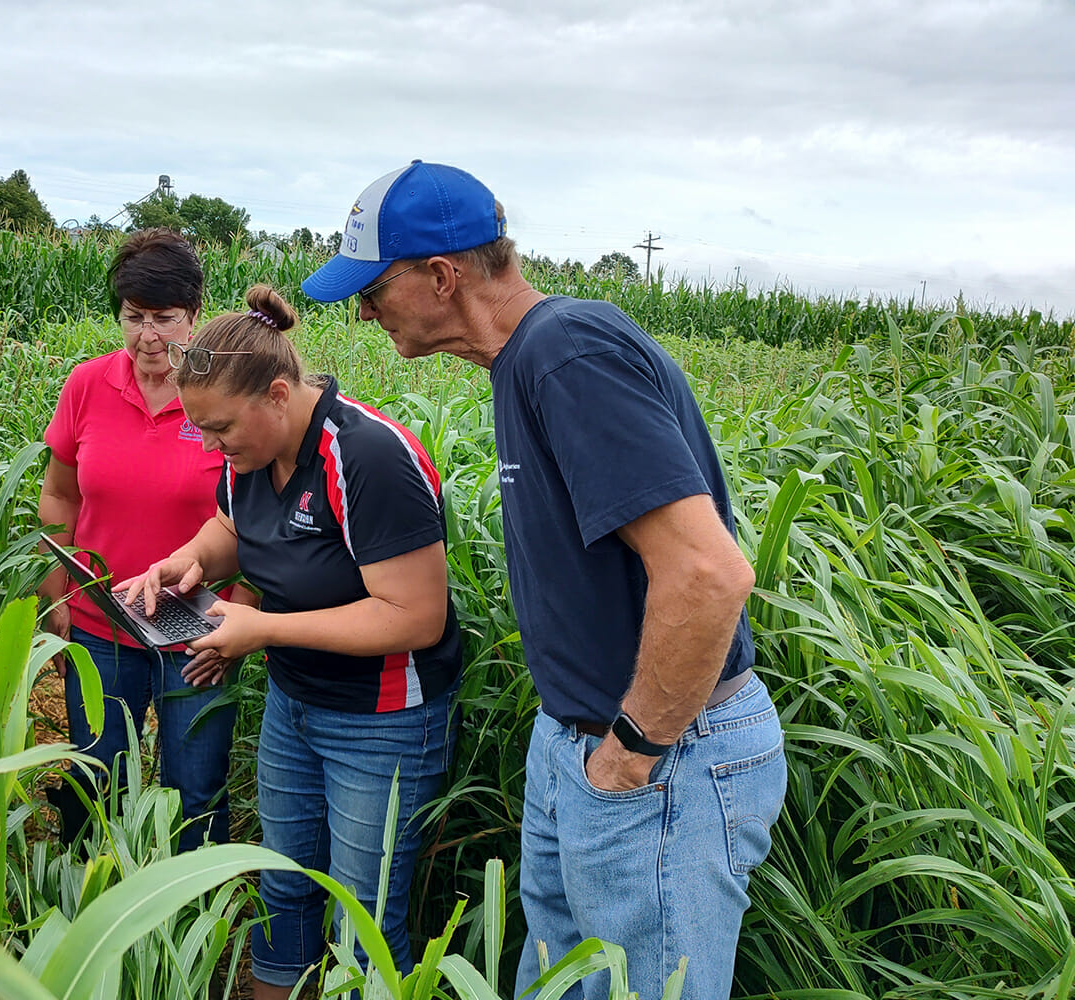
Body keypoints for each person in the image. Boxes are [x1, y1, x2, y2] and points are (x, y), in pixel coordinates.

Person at [301, 161, 787, 1000]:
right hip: (587, 741)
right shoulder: (524, 364)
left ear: (442, 277)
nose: (364, 312)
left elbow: (710, 575)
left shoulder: (566, 354)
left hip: (661, 754)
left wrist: (629, 755)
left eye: (372, 290)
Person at [122, 285, 461, 998]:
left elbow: (414, 615)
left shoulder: (365, 457)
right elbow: (230, 529)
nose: (211, 446)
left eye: (219, 430)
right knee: (284, 881)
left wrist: (264, 629)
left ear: (278, 395)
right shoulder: (246, 451)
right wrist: (188, 559)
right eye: (203, 431)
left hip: (383, 721)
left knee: (362, 913)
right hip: (295, 706)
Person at [36, 227, 239, 847]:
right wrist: (56, 592)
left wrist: (242, 619)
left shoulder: (224, 390)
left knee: (195, 784)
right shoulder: (89, 384)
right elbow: (60, 494)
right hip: (102, 618)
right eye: (133, 317)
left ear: (194, 316)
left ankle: (189, 917)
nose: (148, 336)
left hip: (198, 625)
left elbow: (254, 515)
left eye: (164, 318)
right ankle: (84, 894)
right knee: (97, 771)